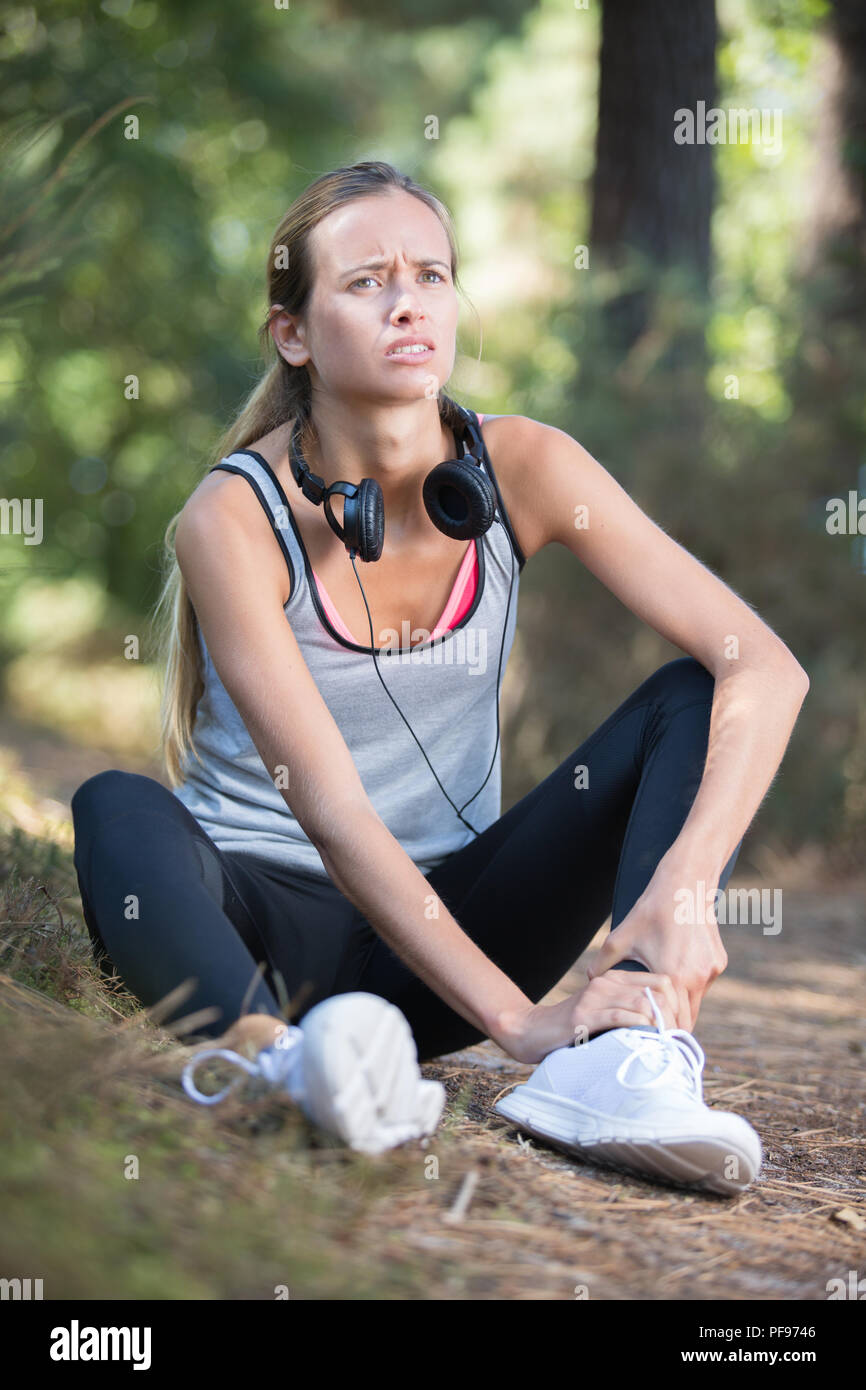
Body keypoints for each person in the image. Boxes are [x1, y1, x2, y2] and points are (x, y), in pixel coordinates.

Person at [70, 161, 809, 1189]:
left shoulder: (528, 470)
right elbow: (328, 810)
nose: (408, 300)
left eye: (430, 273)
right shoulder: (232, 517)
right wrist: (515, 1020)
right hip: (254, 926)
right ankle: (271, 1065)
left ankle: (621, 1056)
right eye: (365, 279)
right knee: (117, 804)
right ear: (293, 333)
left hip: (442, 937)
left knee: (690, 693)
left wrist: (684, 888)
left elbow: (763, 666)